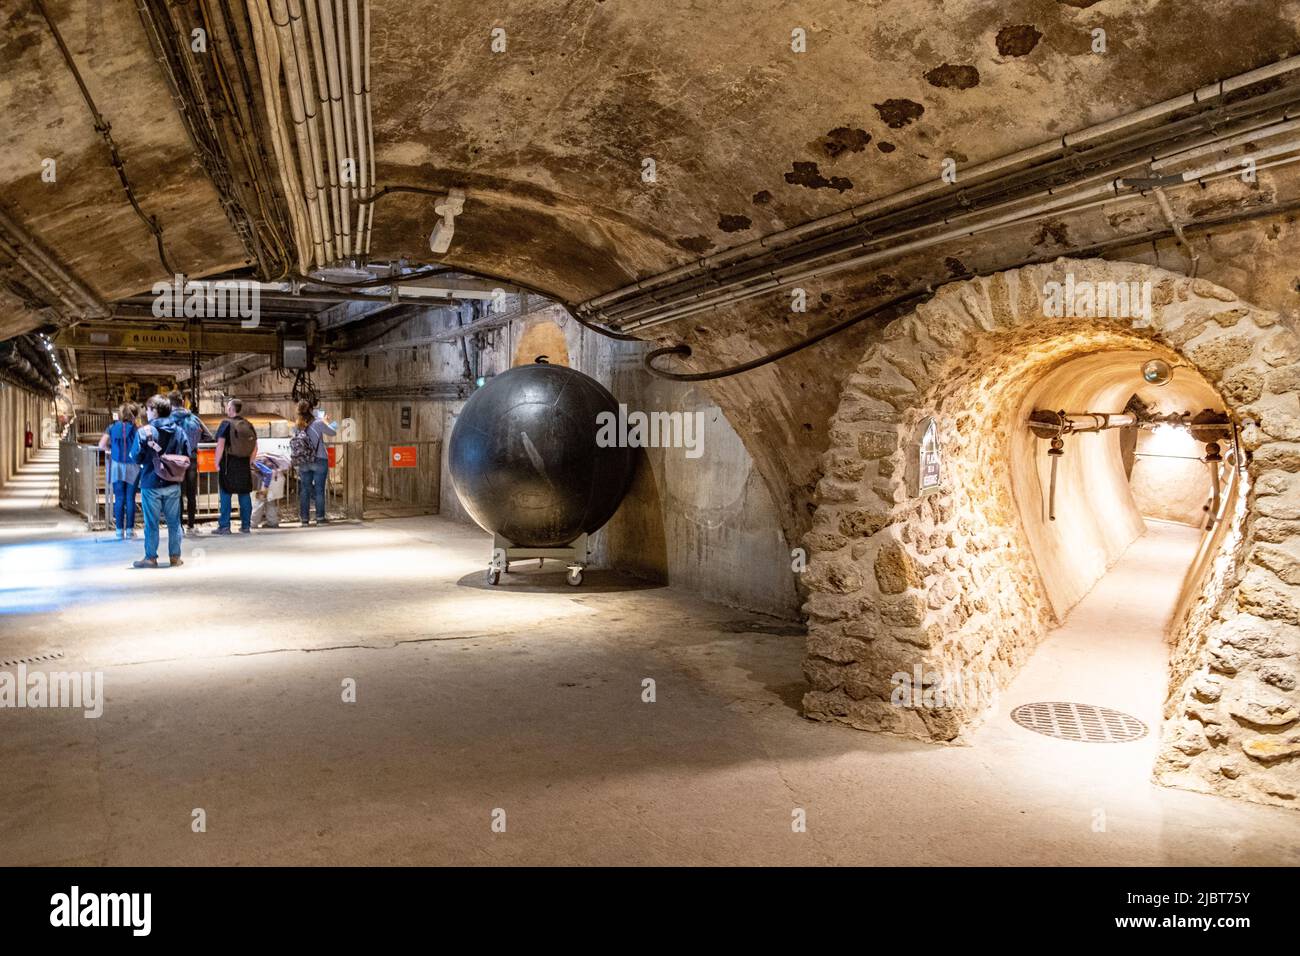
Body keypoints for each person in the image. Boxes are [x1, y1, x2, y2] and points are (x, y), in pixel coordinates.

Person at [130, 394, 191, 568]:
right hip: (173, 483)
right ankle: (175, 557)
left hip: (151, 482)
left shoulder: (145, 432)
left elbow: (136, 457)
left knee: (151, 523)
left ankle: (151, 557)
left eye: (148, 409)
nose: (146, 413)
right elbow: (187, 453)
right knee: (174, 523)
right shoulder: (179, 431)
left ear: (154, 411)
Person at [168, 390, 214, 531]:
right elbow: (208, 436)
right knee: (191, 493)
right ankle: (191, 525)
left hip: (176, 461)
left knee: (177, 493)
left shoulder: (169, 420)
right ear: (182, 402)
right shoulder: (193, 418)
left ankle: (179, 524)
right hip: (192, 458)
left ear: (170, 404)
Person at [213, 397, 257, 535]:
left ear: (231, 409)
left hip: (228, 463)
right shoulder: (248, 424)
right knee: (244, 494)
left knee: (226, 494)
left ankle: (225, 526)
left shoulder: (226, 424)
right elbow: (255, 446)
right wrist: (249, 461)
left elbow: (220, 445)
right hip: (243, 463)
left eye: (228, 407)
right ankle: (246, 526)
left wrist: (216, 462)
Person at [290, 399, 338, 525]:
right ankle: (320, 519)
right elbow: (333, 432)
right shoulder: (318, 423)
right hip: (319, 459)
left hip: (304, 461)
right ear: (311, 410)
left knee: (305, 490)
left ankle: (304, 520)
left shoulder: (296, 426)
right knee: (319, 490)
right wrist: (329, 422)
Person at [97, 403, 140, 539]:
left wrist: (110, 450)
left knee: (119, 498)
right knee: (130, 499)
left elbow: (101, 445)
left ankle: (119, 531)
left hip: (116, 465)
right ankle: (130, 530)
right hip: (132, 465)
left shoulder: (111, 428)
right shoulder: (135, 429)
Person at [251, 451, 290, 529]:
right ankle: (273, 522)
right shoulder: (263, 458)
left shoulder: (256, 461)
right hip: (277, 479)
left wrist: (265, 486)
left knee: (259, 502)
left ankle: (252, 523)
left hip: (269, 482)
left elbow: (268, 473)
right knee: (270, 502)